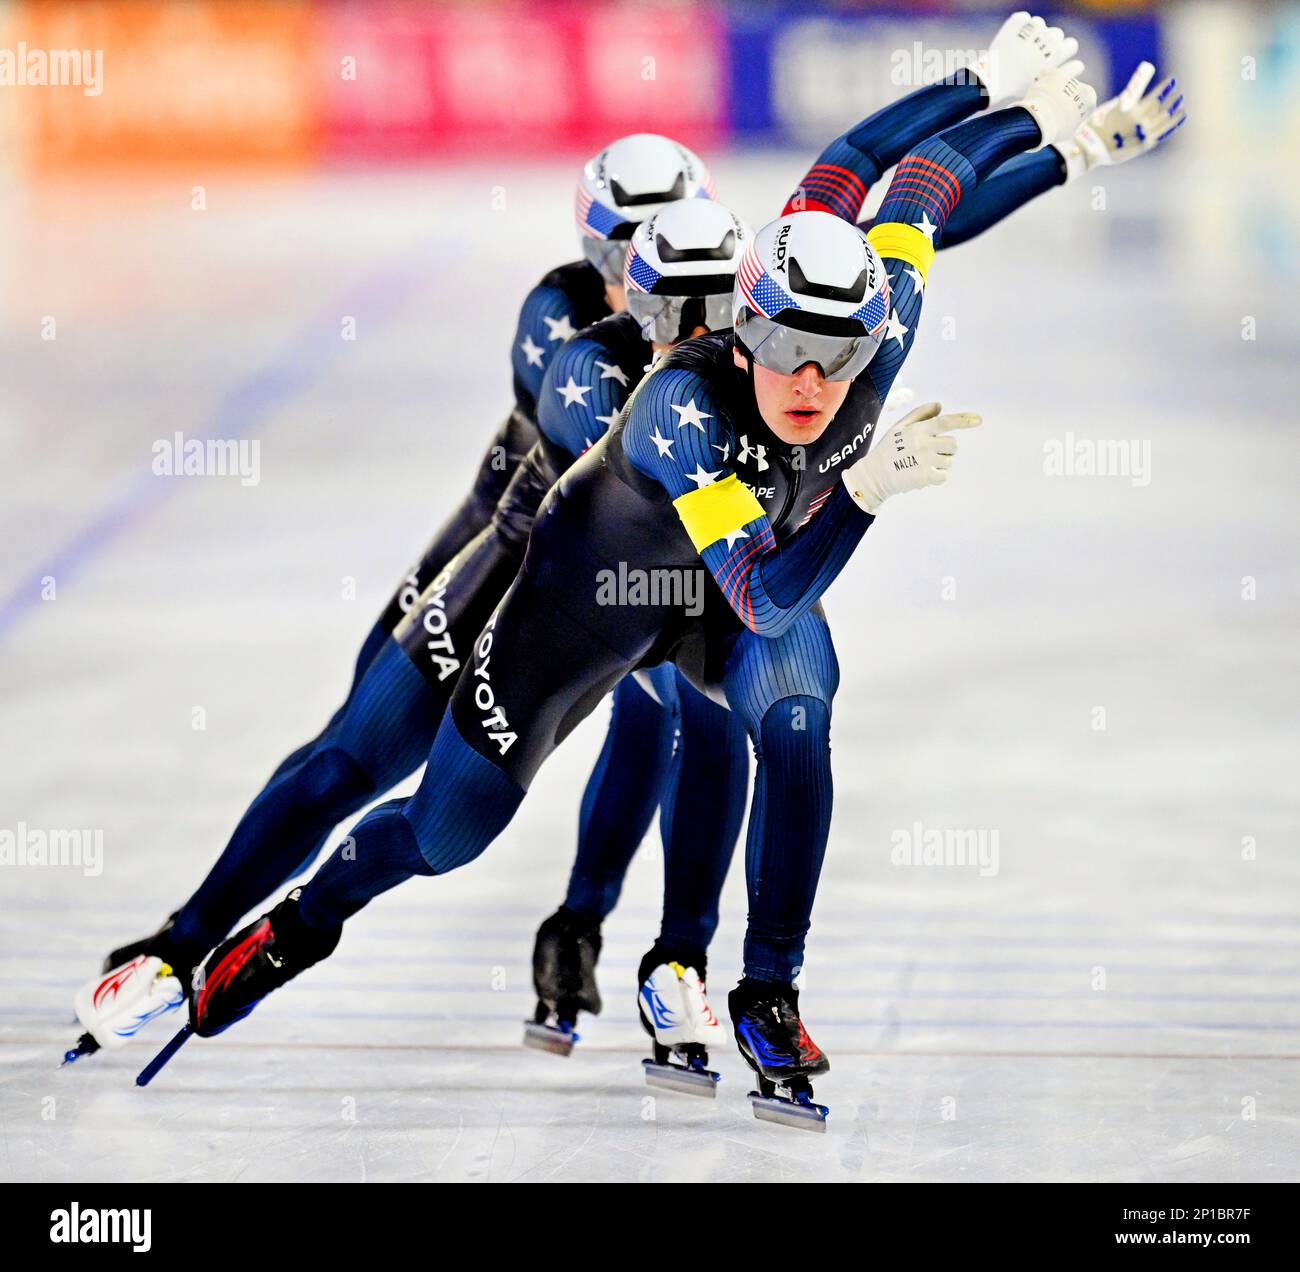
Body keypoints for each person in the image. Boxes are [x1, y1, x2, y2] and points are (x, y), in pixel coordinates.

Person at [173, 57, 1118, 1130]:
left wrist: (1033, 127)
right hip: (593, 601)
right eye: (787, 348)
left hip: (717, 591)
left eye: (837, 352)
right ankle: (310, 912)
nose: (812, 381)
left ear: (877, 334)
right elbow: (764, 593)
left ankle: (764, 989)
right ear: (745, 331)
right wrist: (857, 493)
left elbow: (913, 190)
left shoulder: (881, 314)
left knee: (796, 718)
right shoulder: (685, 407)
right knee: (445, 835)